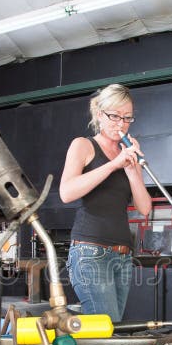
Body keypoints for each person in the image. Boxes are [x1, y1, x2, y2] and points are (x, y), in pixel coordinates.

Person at [60, 83, 152, 323]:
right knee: (106, 327)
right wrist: (113, 164)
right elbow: (66, 192)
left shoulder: (127, 154)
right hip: (91, 252)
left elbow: (145, 209)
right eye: (114, 116)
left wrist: (132, 171)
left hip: (122, 256)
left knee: (111, 327)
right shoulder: (83, 145)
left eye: (127, 118)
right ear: (100, 114)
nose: (120, 124)